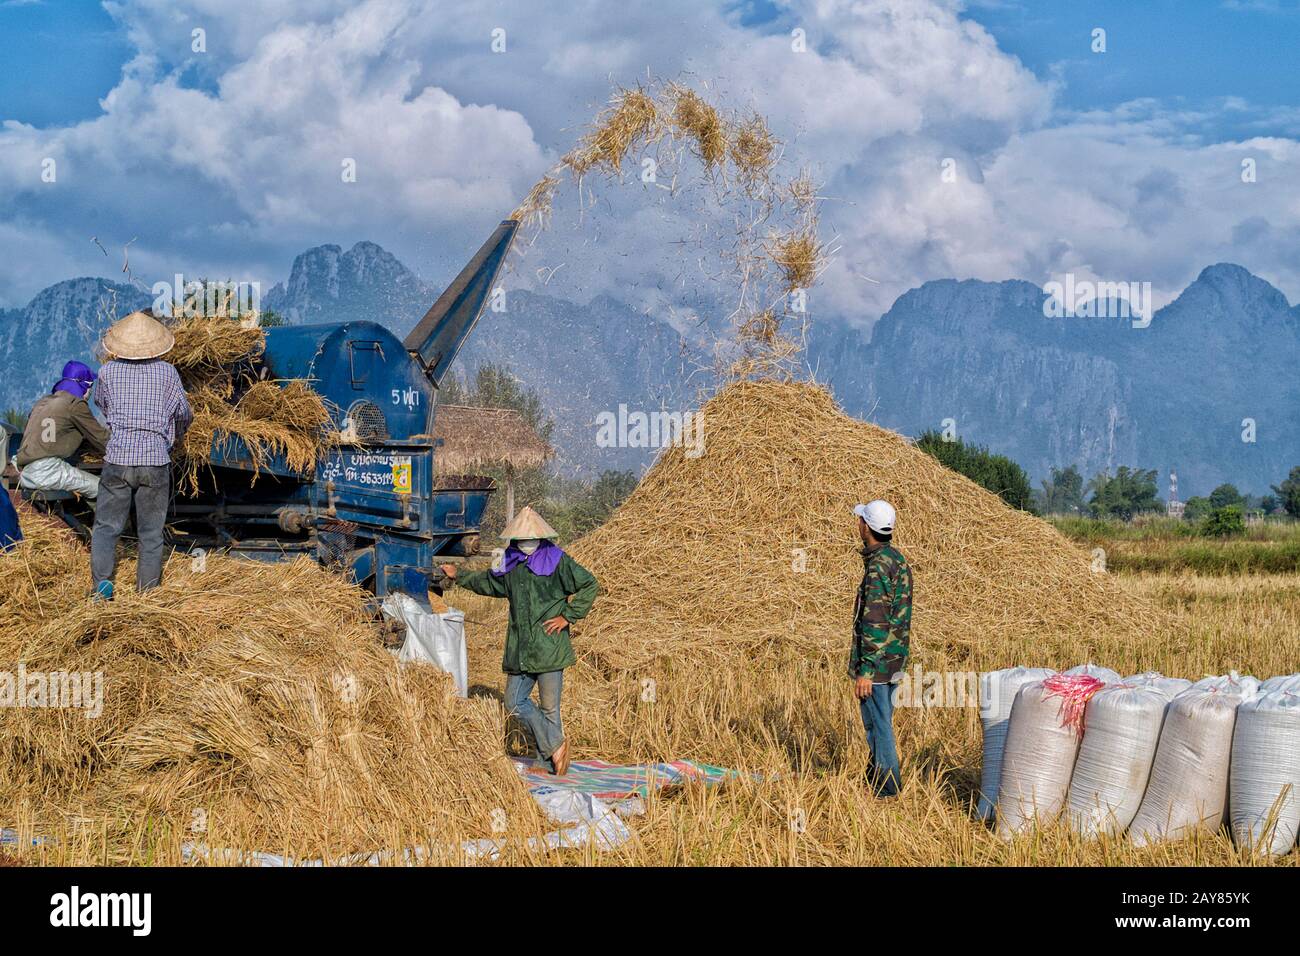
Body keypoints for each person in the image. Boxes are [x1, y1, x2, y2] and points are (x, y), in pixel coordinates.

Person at [440, 506, 598, 776]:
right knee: (514, 702)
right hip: (520, 646)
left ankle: (546, 763)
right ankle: (557, 744)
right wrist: (459, 576)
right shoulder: (507, 560)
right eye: (522, 540)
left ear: (541, 537)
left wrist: (567, 617)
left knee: (549, 708)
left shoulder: (557, 560)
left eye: (531, 539)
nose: (527, 544)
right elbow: (489, 583)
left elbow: (589, 584)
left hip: (549, 644)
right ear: (513, 540)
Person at [89, 311, 193, 600]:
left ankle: (102, 589)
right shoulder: (168, 372)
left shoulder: (107, 372)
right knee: (150, 532)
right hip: (155, 460)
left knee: (107, 527)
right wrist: (174, 434)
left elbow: (104, 407)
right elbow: (183, 413)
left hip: (118, 459)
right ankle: (146, 595)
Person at [849, 499, 913, 798]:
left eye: (861, 520)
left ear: (868, 527)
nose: (857, 524)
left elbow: (875, 620)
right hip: (895, 659)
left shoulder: (877, 568)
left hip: (877, 663)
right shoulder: (897, 559)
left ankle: (887, 789)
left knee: (879, 724)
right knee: (881, 720)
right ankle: (875, 779)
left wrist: (865, 671)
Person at [15, 361, 110, 499]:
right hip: (49, 471)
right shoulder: (75, 404)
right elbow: (101, 438)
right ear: (85, 386)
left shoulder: (42, 402)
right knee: (108, 491)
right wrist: (124, 455)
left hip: (27, 473)